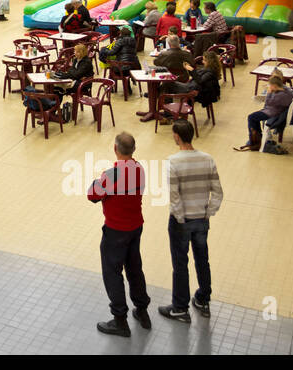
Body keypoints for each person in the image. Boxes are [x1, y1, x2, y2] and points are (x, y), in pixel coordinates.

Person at [159, 120, 223, 322]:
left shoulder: (172, 162)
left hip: (182, 221)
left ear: (177, 136)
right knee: (202, 259)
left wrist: (180, 218)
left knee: (180, 264)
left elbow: (174, 196)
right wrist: (208, 212)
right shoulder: (208, 159)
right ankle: (203, 299)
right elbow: (218, 192)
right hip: (201, 220)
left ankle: (180, 307)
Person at [88, 132, 151, 337]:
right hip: (135, 227)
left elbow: (92, 194)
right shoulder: (139, 169)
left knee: (112, 272)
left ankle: (120, 320)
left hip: (116, 231)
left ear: (115, 149)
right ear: (133, 150)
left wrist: (99, 180)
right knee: (134, 268)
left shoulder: (111, 174)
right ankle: (142, 311)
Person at [239, 73, 293, 153]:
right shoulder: (286, 91)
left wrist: (269, 93)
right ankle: (258, 138)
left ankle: (255, 141)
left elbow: (268, 102)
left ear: (275, 86)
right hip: (276, 110)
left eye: (270, 85)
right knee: (254, 118)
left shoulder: (280, 96)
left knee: (251, 117)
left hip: (273, 113)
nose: (269, 87)